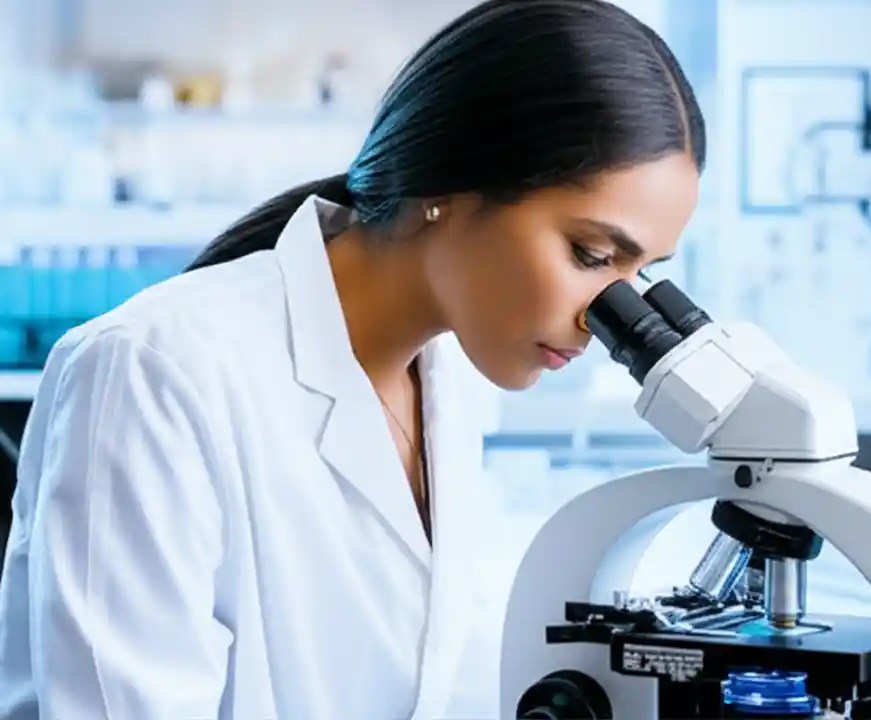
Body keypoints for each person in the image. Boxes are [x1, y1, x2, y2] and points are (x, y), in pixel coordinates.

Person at [0, 0, 705, 717]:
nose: (606, 317)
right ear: (451, 188)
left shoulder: (447, 380)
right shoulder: (155, 372)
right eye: (591, 254)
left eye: (641, 275)